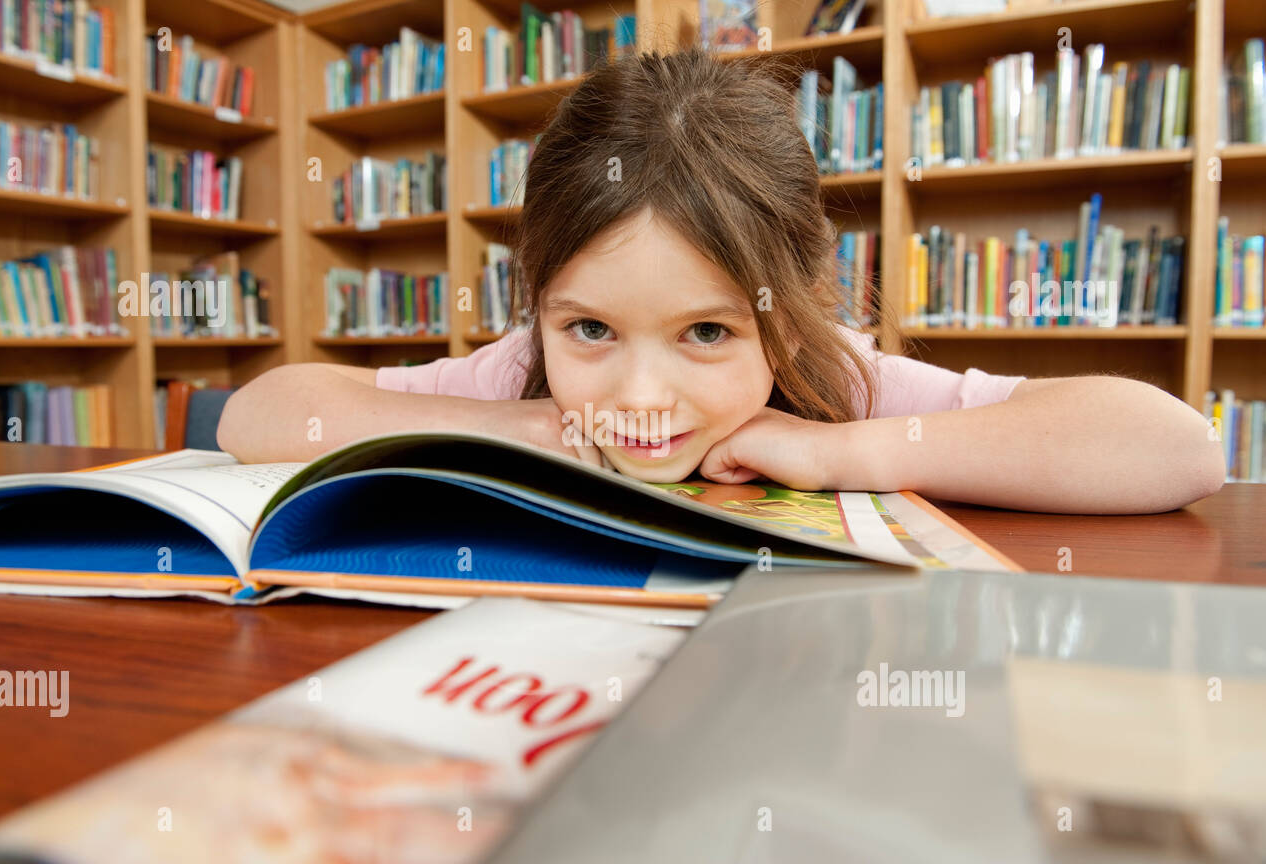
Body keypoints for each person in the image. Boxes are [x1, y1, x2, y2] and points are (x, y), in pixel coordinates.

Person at [217, 47, 1224, 514]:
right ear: (538, 304)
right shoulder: (520, 379)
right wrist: (511, 426)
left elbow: (1175, 450)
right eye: (590, 332)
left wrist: (835, 452)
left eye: (706, 333)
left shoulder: (842, 388)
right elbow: (255, 416)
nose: (640, 398)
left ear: (787, 311)